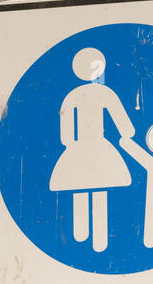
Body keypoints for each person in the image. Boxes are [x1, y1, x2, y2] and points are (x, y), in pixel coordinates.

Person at [49, 47, 135, 252]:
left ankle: (81, 236)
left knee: (79, 186)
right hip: (98, 147)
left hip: (77, 149)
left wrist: (71, 145)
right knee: (100, 191)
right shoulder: (104, 92)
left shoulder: (72, 96)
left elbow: (65, 134)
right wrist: (127, 133)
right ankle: (98, 242)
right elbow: (125, 126)